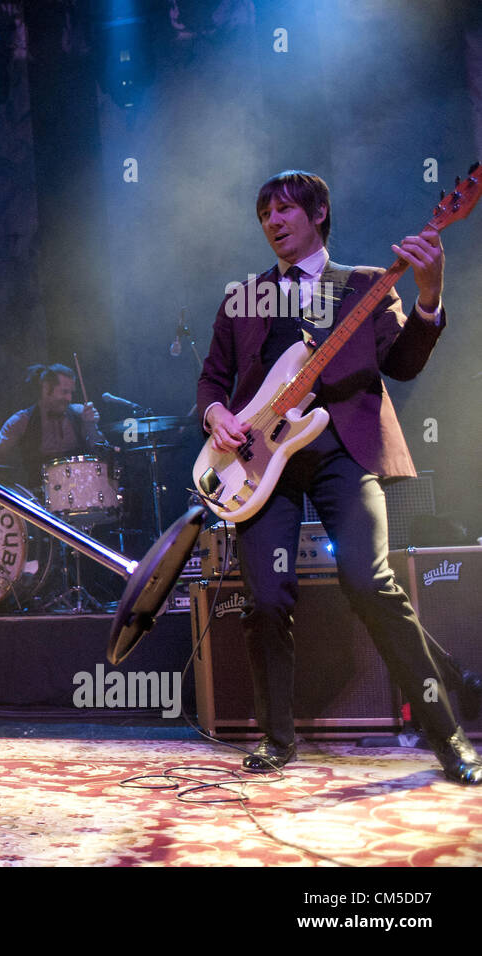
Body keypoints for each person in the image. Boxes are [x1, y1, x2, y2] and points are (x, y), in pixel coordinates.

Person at [196, 169, 480, 783]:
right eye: (265, 213)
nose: (272, 221)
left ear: (319, 212)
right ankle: (278, 738)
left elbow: (403, 364)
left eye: (285, 210)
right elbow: (212, 380)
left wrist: (428, 295)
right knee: (266, 598)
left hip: (342, 454)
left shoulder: (366, 286)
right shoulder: (243, 297)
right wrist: (216, 415)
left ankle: (448, 736)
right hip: (261, 465)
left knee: (369, 581)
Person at [0, 364, 103, 485]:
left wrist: (90, 425)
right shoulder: (22, 420)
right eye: (64, 392)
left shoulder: (79, 413)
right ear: (46, 388)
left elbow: (101, 452)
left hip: (81, 489)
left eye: (71, 392)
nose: (69, 398)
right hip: (40, 498)